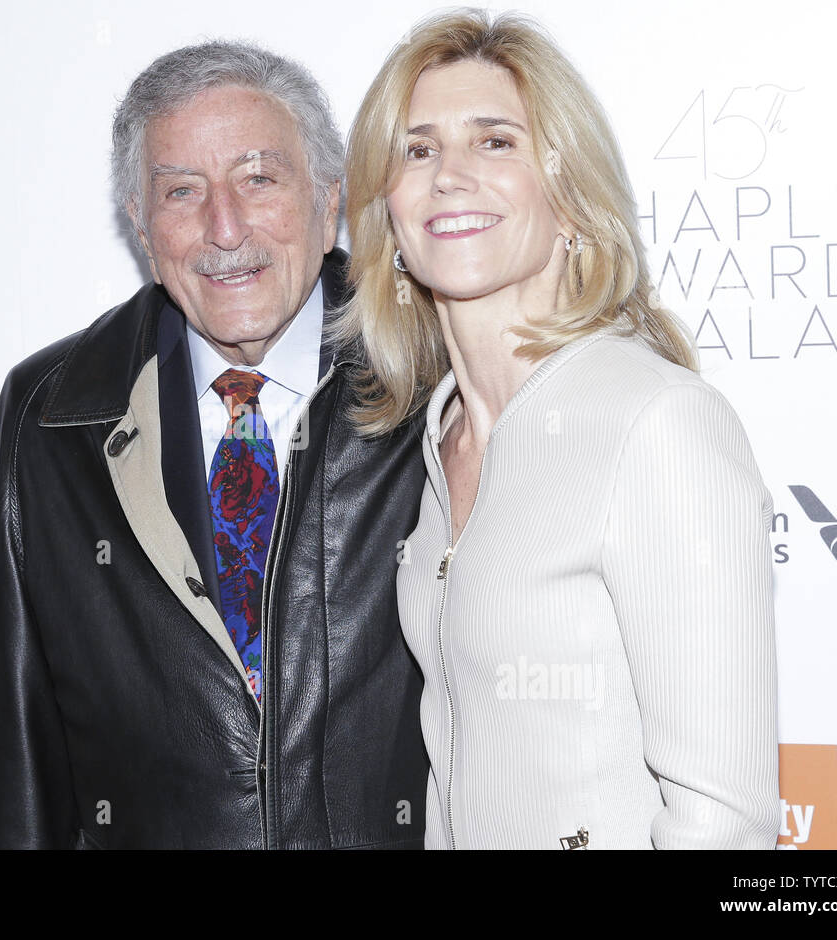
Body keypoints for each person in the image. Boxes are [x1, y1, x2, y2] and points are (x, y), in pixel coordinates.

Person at [330, 9, 780, 849]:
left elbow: (725, 824)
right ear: (387, 216)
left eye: (495, 141)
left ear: (570, 197)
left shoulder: (655, 423)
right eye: (417, 149)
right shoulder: (441, 442)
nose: (449, 175)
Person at [0, 40, 430, 849]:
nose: (225, 229)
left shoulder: (433, 378)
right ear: (142, 229)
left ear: (330, 203)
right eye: (182, 192)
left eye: (258, 179)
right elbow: (22, 748)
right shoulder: (51, 414)